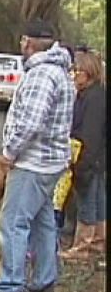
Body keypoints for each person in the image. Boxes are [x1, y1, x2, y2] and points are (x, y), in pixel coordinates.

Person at [0, 20, 74, 292]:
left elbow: (31, 123)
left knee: (13, 221)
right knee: (43, 222)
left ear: (28, 42)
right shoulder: (60, 71)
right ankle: (43, 283)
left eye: (22, 41)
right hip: (51, 162)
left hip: (34, 163)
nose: (21, 45)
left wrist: (8, 155)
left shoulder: (42, 74)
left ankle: (10, 289)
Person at [59, 52, 106, 260]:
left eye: (78, 71)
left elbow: (91, 134)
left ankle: (82, 247)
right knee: (98, 200)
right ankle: (98, 241)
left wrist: (82, 165)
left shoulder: (94, 99)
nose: (74, 75)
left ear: (89, 73)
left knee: (87, 201)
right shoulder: (92, 94)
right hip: (96, 159)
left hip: (89, 159)